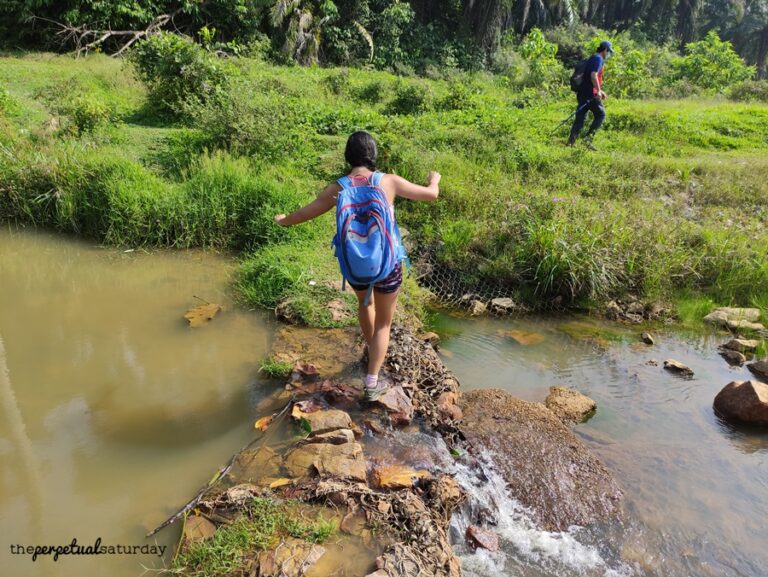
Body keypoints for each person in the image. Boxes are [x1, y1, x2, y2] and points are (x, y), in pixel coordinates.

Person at [274, 131, 440, 400]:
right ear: (373, 154)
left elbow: (306, 213)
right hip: (387, 264)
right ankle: (373, 382)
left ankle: (370, 347)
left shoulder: (338, 188)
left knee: (366, 304)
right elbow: (431, 195)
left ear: (348, 156)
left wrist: (283, 220)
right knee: (385, 324)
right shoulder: (389, 182)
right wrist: (435, 179)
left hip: (355, 266)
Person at [568, 40, 614, 149]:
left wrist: (600, 90)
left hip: (582, 92)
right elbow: (593, 75)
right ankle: (587, 140)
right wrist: (598, 91)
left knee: (580, 118)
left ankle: (571, 142)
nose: (608, 54)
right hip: (590, 95)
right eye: (608, 52)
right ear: (605, 50)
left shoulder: (592, 58)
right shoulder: (598, 59)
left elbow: (590, 77)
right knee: (600, 115)